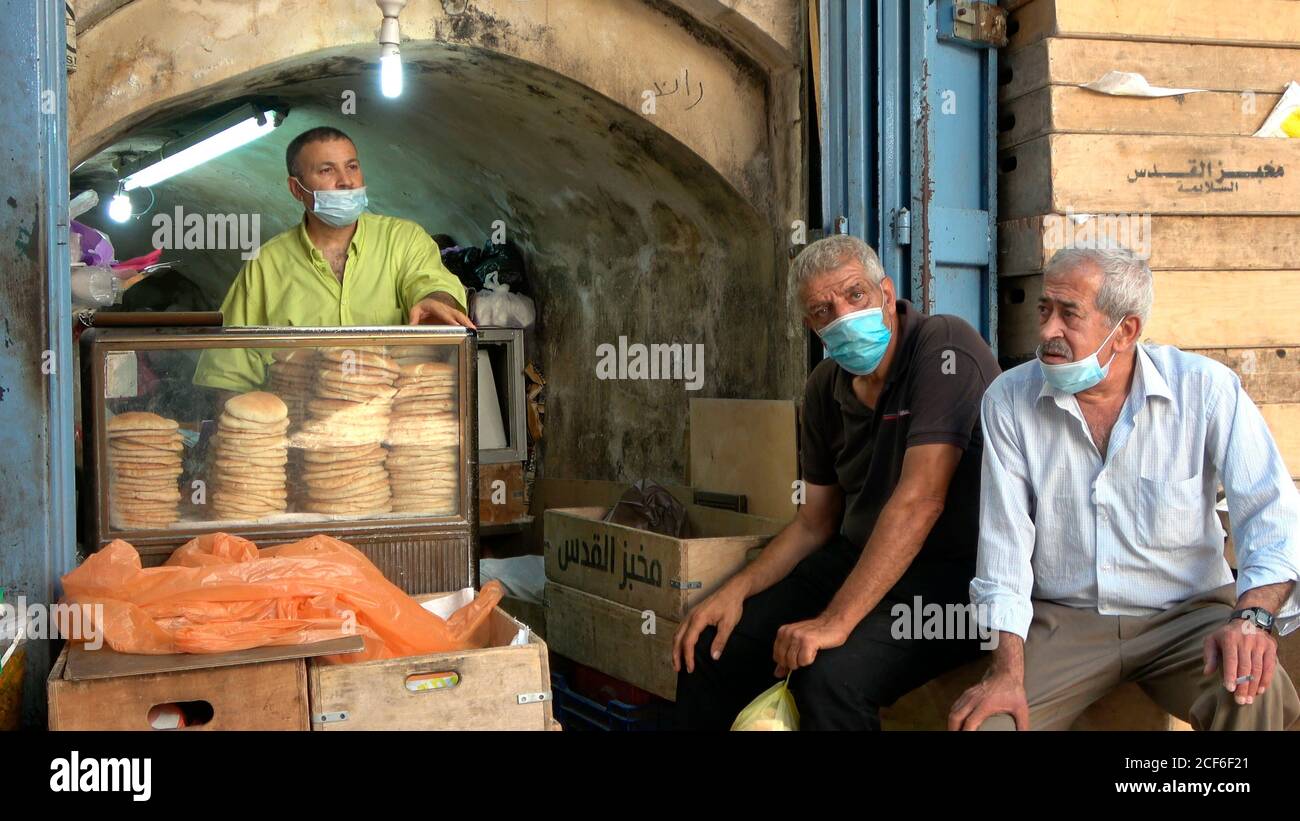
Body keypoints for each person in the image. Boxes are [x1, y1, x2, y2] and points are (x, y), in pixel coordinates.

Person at [950, 246, 1300, 731]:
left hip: (1187, 616)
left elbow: (1270, 513)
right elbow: (1004, 549)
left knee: (1253, 694)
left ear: (1126, 331)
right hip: (1065, 618)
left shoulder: (1205, 391)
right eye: (1044, 310)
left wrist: (1253, 619)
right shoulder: (1010, 399)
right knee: (989, 725)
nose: (1048, 331)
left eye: (1069, 315)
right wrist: (1006, 670)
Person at [673, 234, 1001, 730]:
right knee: (712, 644)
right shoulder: (825, 387)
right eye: (823, 310)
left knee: (829, 677)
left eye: (855, 296)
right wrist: (735, 589)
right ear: (810, 325)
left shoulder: (944, 348)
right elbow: (814, 522)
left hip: (953, 578)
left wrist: (836, 622)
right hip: (860, 558)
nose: (843, 316)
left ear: (886, 295)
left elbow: (921, 501)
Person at [193, 126, 472, 392]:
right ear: (296, 188)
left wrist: (438, 300)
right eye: (327, 170)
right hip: (300, 430)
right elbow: (228, 376)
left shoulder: (403, 239)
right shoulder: (266, 265)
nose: (346, 181)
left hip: (393, 423)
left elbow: (432, 284)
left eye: (352, 166)